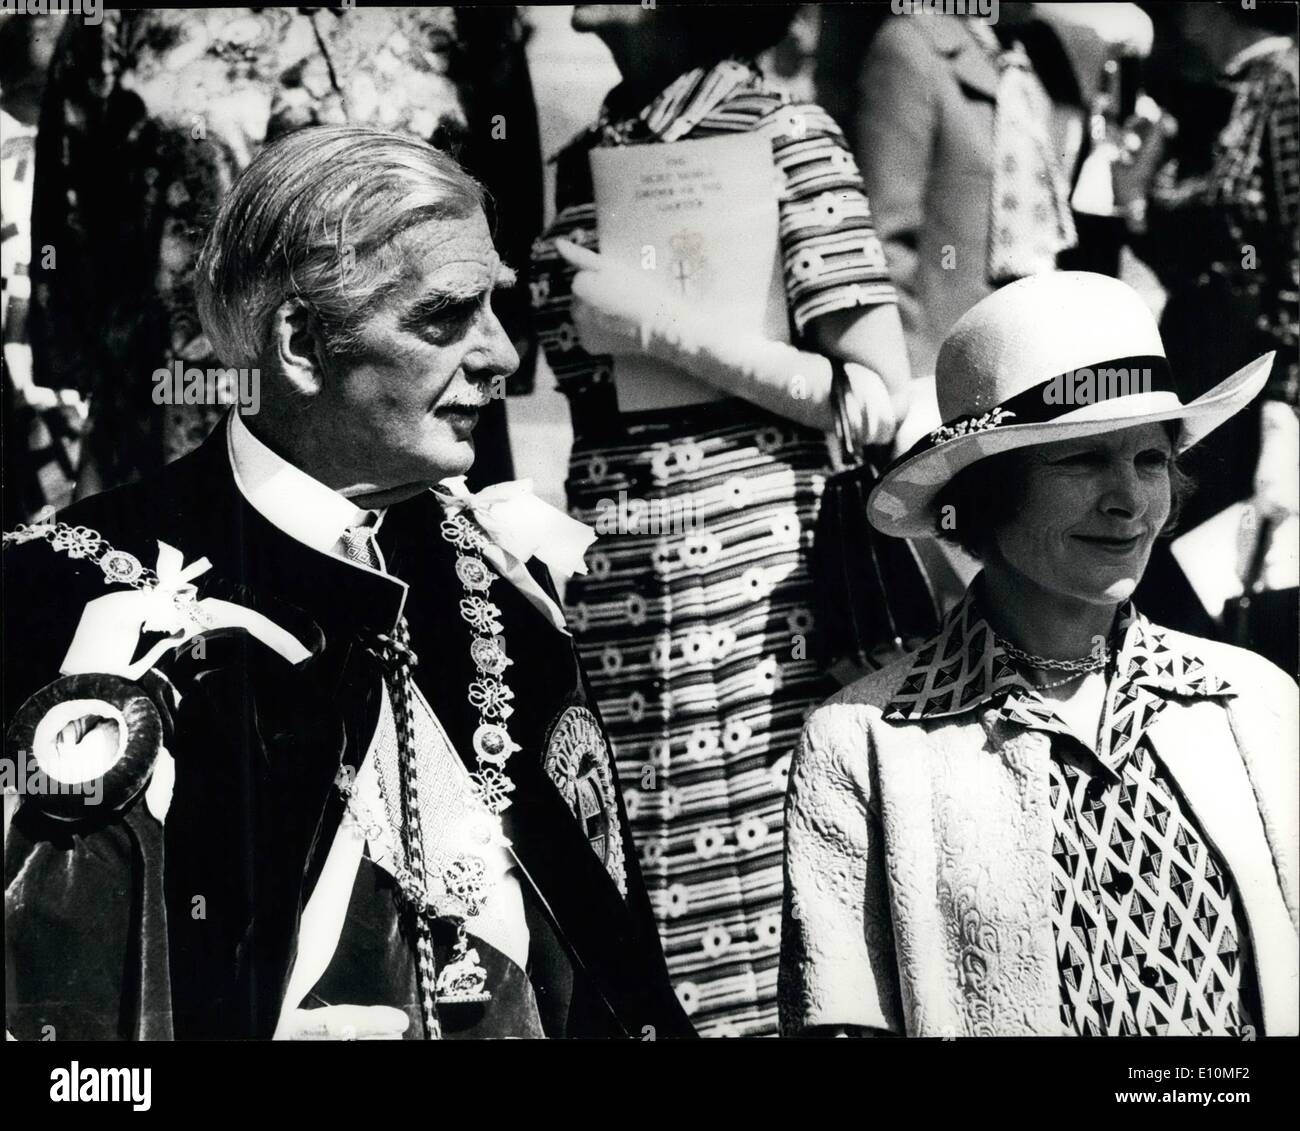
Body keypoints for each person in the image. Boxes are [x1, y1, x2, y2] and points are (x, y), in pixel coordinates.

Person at [3, 126, 692, 1041]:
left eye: (495, 309)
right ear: (299, 343)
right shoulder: (59, 591)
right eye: (446, 317)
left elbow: (616, 969)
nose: (500, 356)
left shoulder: (500, 575)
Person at [779, 271, 1298, 1037]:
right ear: (988, 490)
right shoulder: (862, 748)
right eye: (1083, 460)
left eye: (1150, 459)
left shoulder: (1257, 706)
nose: (1128, 499)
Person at [530, 3, 911, 1036]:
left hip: (749, 598)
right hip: (612, 587)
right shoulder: (586, 151)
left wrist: (658, 323)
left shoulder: (784, 131)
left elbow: (878, 393)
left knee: (753, 911)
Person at [28, 5, 540, 504]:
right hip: (174, 388)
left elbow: (506, 194)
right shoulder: (124, 15)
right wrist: (68, 353)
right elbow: (70, 186)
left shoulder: (470, 16)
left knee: (411, 569)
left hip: (408, 387)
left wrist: (495, 346)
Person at [1113, 3, 1298, 649]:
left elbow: (1295, 249)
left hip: (1250, 360)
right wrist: (1136, 187)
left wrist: (1286, 405)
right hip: (1197, 346)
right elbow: (1190, 246)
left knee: (1219, 558)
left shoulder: (1287, 86)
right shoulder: (1224, 95)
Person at [854, 5, 1085, 380]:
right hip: (942, 370)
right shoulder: (912, 46)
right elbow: (884, 242)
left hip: (1032, 358)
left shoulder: (1040, 53)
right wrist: (913, 380)